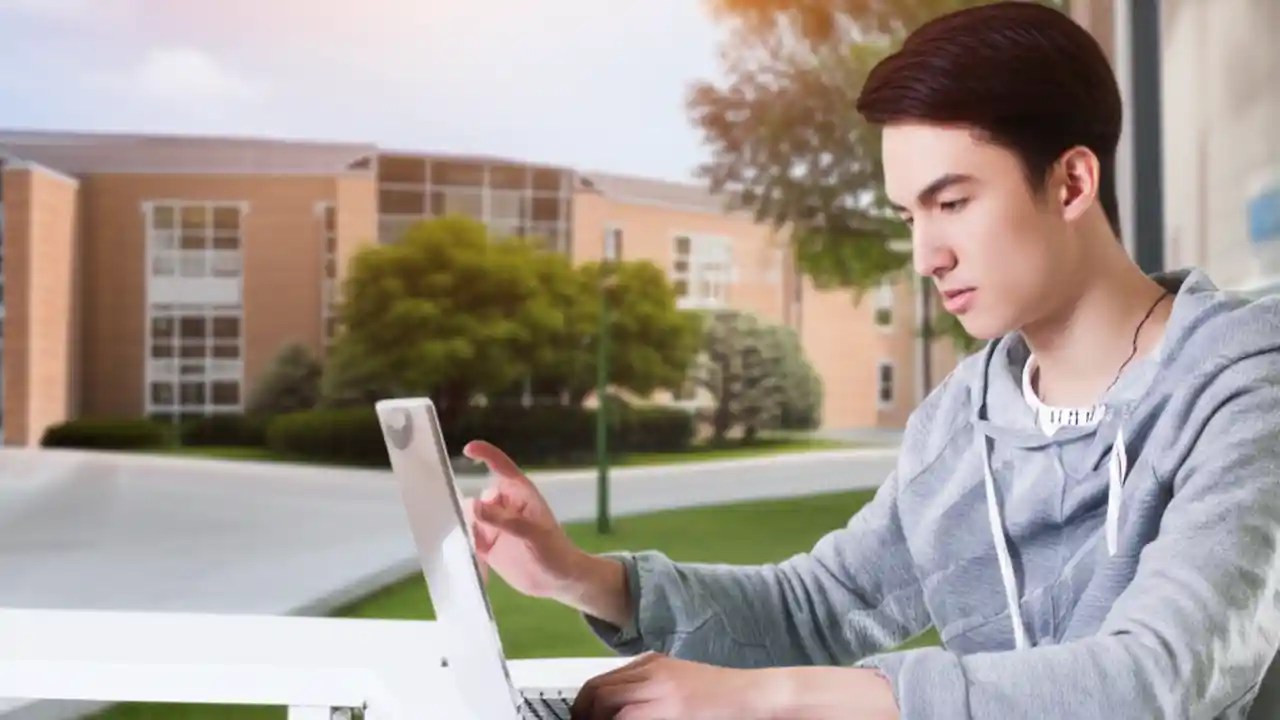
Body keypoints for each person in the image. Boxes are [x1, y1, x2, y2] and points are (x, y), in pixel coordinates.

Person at [462, 2, 1280, 718]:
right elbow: (826, 606)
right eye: (907, 215)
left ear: (1070, 183)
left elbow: (1157, 679)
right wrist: (582, 577)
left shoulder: (1244, 383)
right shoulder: (966, 417)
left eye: (952, 203)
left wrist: (763, 702)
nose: (926, 254)